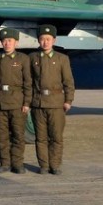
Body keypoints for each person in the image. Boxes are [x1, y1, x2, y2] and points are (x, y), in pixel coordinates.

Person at [29, 24, 75, 175]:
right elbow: (28, 82)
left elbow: (68, 82)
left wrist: (68, 100)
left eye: (48, 39)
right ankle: (43, 165)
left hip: (56, 103)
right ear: (38, 40)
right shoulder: (33, 58)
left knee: (56, 136)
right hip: (38, 102)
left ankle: (54, 165)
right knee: (40, 137)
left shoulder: (62, 59)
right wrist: (28, 102)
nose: (45, 42)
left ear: (53, 40)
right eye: (42, 39)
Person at [0, 28, 32, 174]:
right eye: (4, 41)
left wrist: (27, 103)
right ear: (1, 42)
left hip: (17, 102)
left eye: (10, 41)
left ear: (16, 43)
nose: (7, 44)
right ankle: (4, 162)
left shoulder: (23, 59)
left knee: (18, 135)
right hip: (0, 102)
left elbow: (28, 82)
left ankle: (18, 163)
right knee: (1, 136)